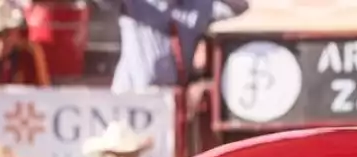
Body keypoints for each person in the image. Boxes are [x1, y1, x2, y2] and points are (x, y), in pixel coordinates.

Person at [101, 0, 248, 93]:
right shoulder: (135, 4)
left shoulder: (199, 6)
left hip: (172, 98)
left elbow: (240, 7)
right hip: (131, 93)